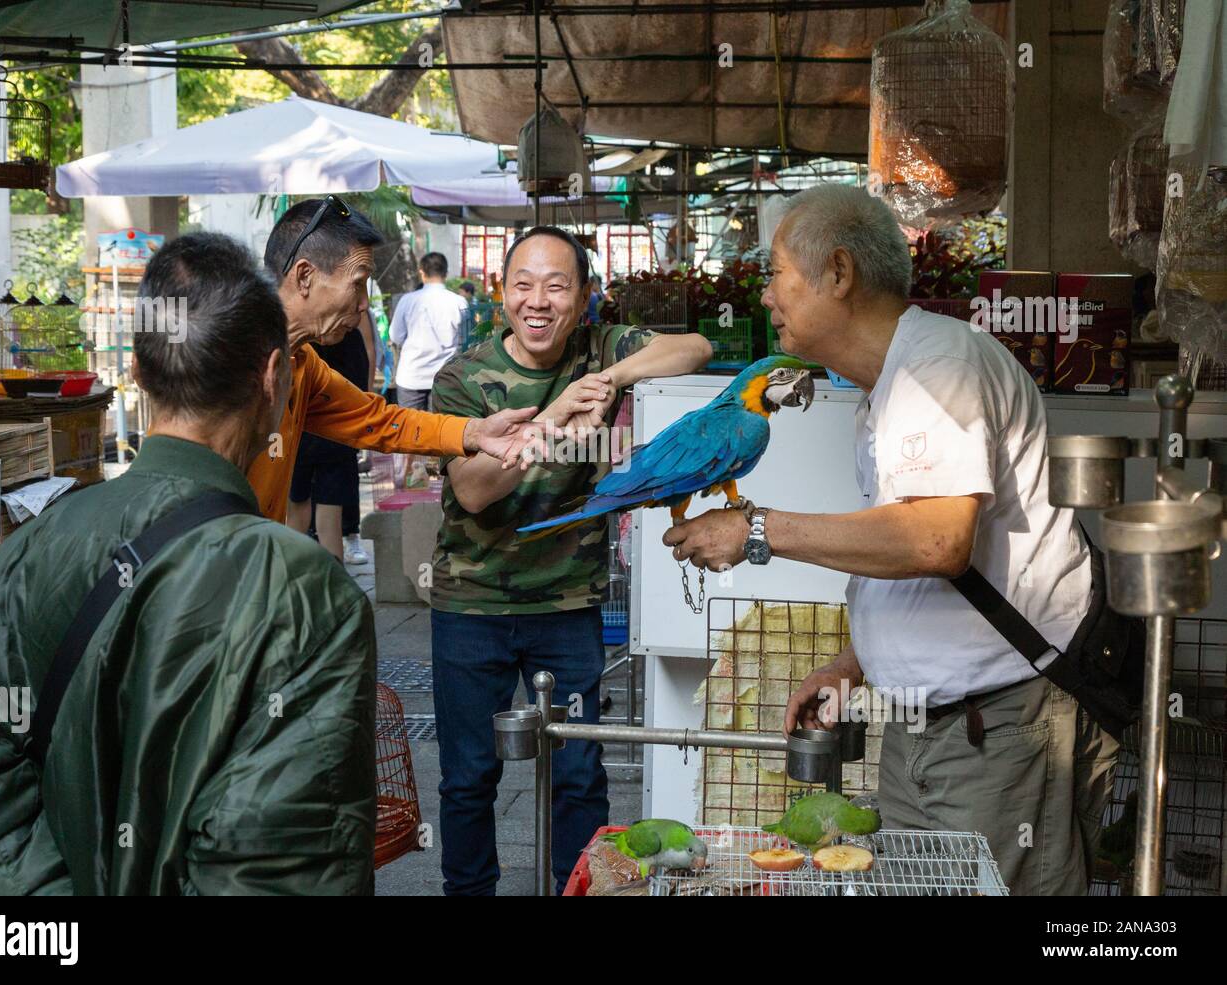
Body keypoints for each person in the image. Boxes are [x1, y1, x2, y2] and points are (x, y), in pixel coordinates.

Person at [663, 184, 1118, 896]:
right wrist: (853, 665)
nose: (766, 296)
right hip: (929, 728)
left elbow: (938, 541)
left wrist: (755, 530)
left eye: (776, 272)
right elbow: (908, 557)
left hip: (998, 728)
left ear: (837, 274)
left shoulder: (939, 367)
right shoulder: (886, 388)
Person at [0, 233, 379, 894]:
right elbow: (282, 866)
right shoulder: (309, 593)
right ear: (272, 376)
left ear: (137, 372)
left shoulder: (31, 545)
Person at [429, 225, 712, 895]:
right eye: (522, 284)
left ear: (584, 296)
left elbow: (695, 348)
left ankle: (579, 888)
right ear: (501, 293)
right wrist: (552, 422)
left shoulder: (599, 346)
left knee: (579, 772)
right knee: (469, 776)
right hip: (471, 605)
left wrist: (605, 379)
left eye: (557, 286)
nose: (538, 301)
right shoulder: (463, 377)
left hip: (568, 606)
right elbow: (471, 490)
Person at [253, 198, 538, 523]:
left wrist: (474, 432)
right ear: (304, 276)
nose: (363, 305)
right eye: (357, 283)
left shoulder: (302, 363)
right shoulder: (225, 364)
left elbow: (380, 420)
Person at [287, 311, 373, 565]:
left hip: (299, 435)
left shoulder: (296, 336)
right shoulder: (351, 337)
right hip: (337, 435)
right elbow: (358, 387)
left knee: (297, 510)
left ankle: (292, 581)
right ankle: (332, 589)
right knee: (329, 517)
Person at [389, 252, 469, 485]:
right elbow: (465, 341)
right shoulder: (458, 302)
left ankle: (403, 483)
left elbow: (396, 335)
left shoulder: (408, 300)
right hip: (445, 377)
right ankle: (443, 484)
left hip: (411, 374)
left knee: (408, 431)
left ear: (421, 272)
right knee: (443, 432)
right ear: (446, 273)